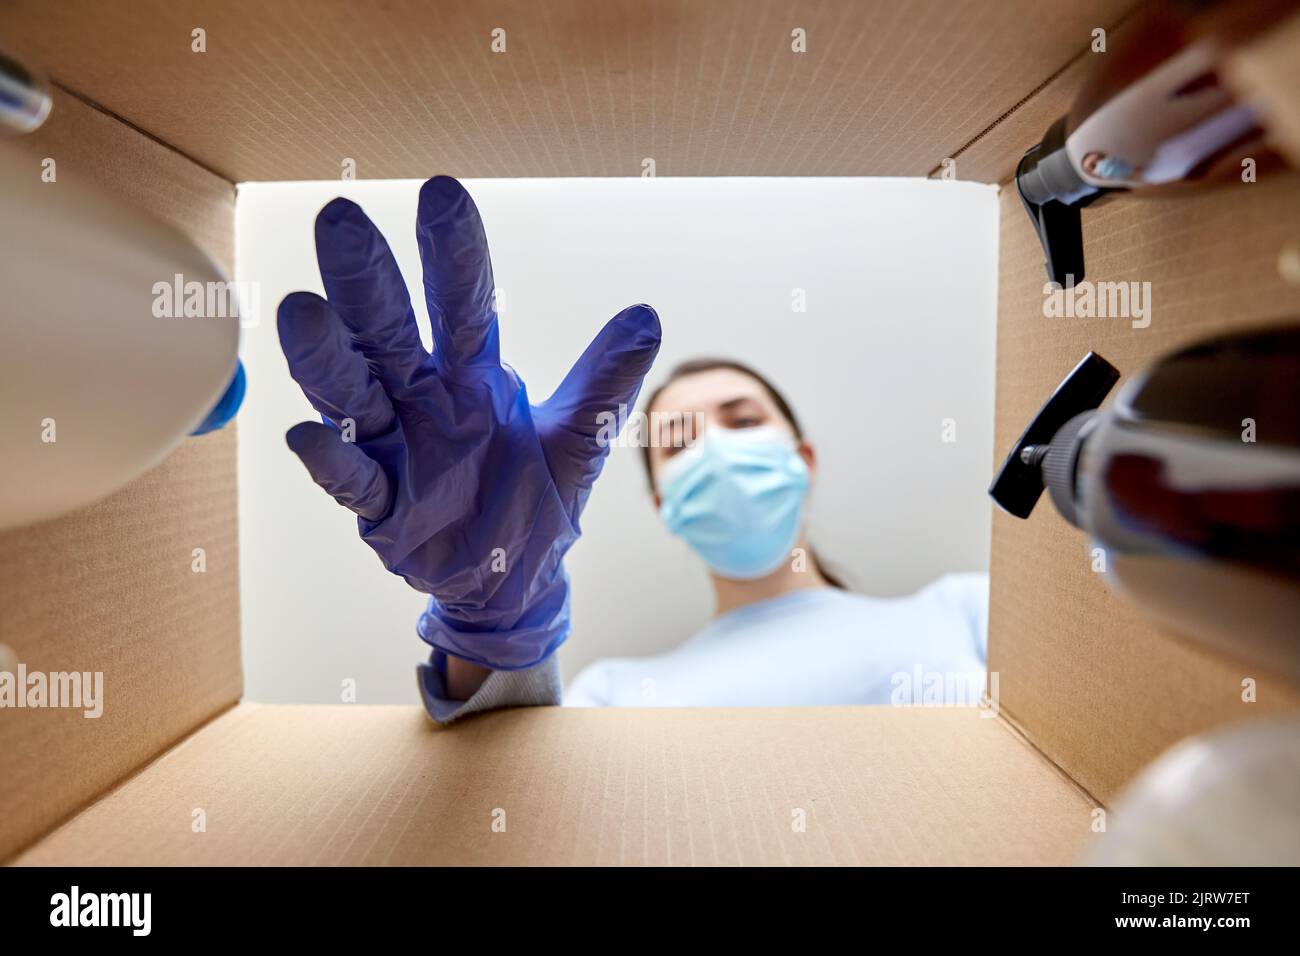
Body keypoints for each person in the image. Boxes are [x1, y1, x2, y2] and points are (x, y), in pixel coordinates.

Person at [277, 176, 987, 724]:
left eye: (742, 421)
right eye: (678, 441)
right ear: (662, 502)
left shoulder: (966, 612)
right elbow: (510, 809)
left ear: (802, 458)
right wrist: (491, 618)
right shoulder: (618, 695)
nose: (714, 447)